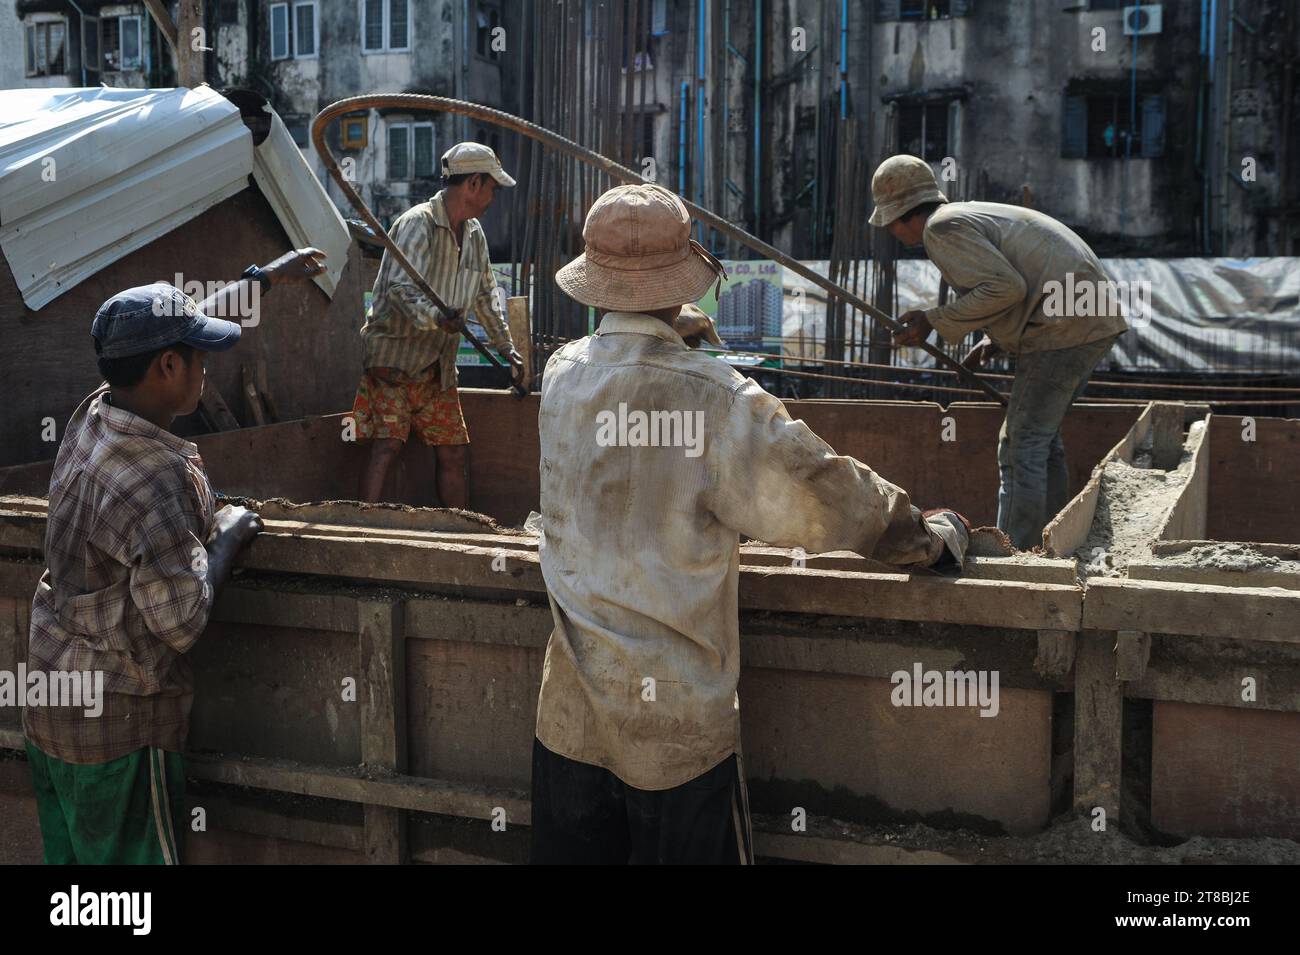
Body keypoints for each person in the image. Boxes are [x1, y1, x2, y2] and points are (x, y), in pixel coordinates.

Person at [530, 183, 970, 865]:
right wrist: (930, 538)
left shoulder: (560, 376)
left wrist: (668, 339)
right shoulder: (718, 399)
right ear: (682, 288)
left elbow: (622, 419)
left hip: (569, 724)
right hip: (674, 737)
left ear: (594, 284)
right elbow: (826, 494)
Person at [22, 249, 326, 864]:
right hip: (117, 732)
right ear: (165, 366)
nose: (208, 368)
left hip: (50, 704)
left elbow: (165, 330)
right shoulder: (154, 480)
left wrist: (263, 279)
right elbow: (180, 621)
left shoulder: (96, 410)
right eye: (199, 356)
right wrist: (228, 536)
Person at [875, 155, 1129, 550]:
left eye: (889, 222)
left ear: (902, 214)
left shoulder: (942, 229)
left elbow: (1005, 288)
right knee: (1041, 440)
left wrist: (932, 320)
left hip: (1063, 327)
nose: (890, 231)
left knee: (1019, 444)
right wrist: (994, 341)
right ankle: (1056, 541)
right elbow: (1024, 279)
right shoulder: (970, 215)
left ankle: (1012, 552)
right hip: (1088, 318)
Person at [354, 142, 525, 507]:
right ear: (474, 184)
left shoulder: (475, 234)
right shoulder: (418, 223)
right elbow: (400, 289)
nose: (494, 196)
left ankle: (460, 529)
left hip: (437, 368)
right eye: (492, 187)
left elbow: (484, 295)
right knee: (388, 446)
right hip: (394, 360)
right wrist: (436, 317)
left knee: (453, 453)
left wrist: (506, 348)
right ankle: (365, 525)